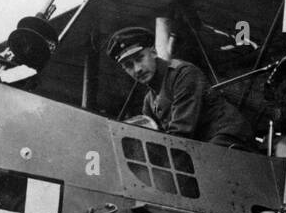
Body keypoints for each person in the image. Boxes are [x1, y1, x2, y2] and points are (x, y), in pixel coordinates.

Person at [105, 26, 255, 150]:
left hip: (228, 137)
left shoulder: (183, 74)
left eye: (139, 59)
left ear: (153, 52)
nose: (137, 69)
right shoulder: (149, 101)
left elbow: (181, 133)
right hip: (203, 145)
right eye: (129, 66)